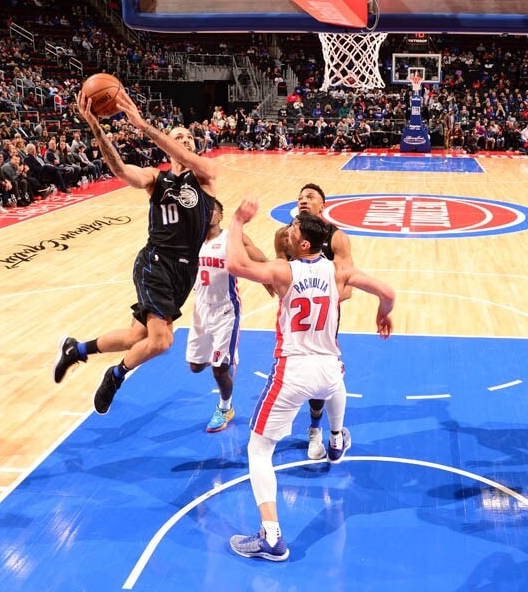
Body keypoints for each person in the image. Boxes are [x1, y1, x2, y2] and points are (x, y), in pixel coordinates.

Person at [225, 199, 395, 561]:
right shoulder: (338, 272)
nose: (289, 229)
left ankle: (271, 537)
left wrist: (238, 221)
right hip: (328, 368)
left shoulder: (284, 272)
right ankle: (335, 439)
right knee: (337, 382)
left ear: (303, 245)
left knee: (258, 450)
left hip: (294, 370)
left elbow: (235, 264)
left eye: (294, 229)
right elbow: (389, 293)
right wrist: (383, 314)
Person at [52, 90, 219, 415]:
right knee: (161, 341)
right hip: (156, 262)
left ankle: (76, 349)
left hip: (185, 273)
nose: (183, 140)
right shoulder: (156, 179)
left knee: (135, 337)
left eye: (188, 137)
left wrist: (143, 125)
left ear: (195, 146)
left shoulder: (206, 175)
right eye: (177, 137)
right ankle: (116, 375)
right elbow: (121, 171)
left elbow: (188, 162)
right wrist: (98, 131)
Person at [273, 183, 355, 460]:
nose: (303, 200)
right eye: (300, 197)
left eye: (311, 197)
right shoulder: (285, 236)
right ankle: (320, 432)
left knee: (322, 373)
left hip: (323, 316)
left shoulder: (337, 238)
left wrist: (318, 292)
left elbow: (349, 288)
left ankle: (316, 430)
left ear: (323, 205)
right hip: (293, 318)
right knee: (310, 373)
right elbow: (277, 277)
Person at [186, 196, 268, 433]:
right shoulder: (193, 241)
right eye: (204, 209)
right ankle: (227, 357)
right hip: (200, 310)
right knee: (195, 366)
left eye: (213, 209)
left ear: (221, 216)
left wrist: (272, 279)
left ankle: (225, 407)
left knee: (219, 369)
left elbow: (257, 256)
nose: (208, 212)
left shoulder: (230, 238)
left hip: (226, 309)